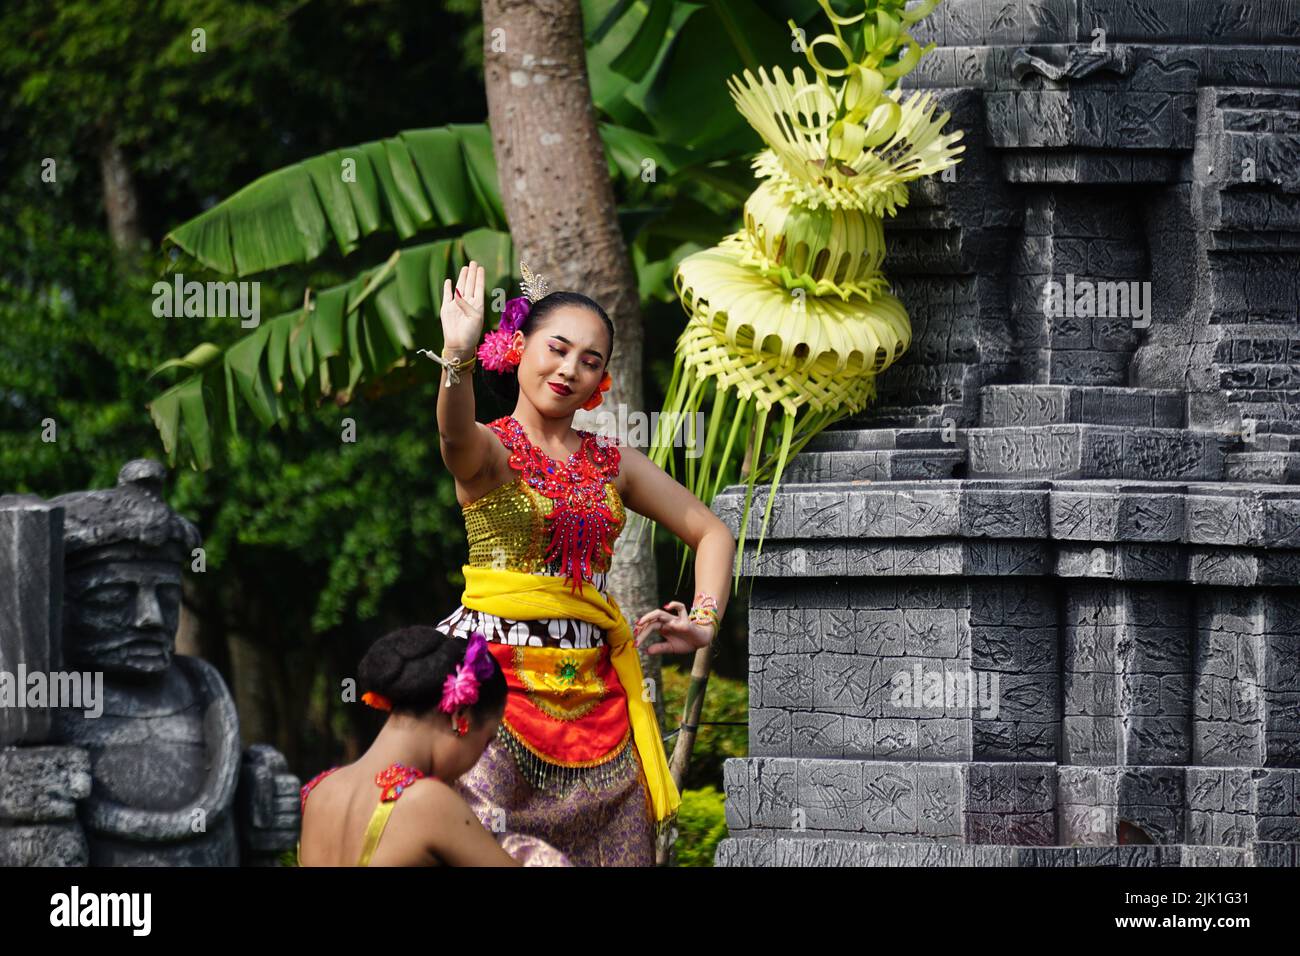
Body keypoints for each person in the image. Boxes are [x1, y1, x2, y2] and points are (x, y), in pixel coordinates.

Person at [426, 259, 737, 866]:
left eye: (590, 360)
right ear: (518, 349)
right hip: (494, 697)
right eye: (558, 349)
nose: (570, 369)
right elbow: (453, 435)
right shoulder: (490, 450)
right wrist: (456, 356)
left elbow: (712, 533)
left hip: (598, 698)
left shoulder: (614, 463)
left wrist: (704, 621)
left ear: (601, 381)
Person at [298, 626, 569, 866]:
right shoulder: (427, 802)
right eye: (486, 741)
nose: (478, 760)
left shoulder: (318, 792)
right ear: (459, 717)